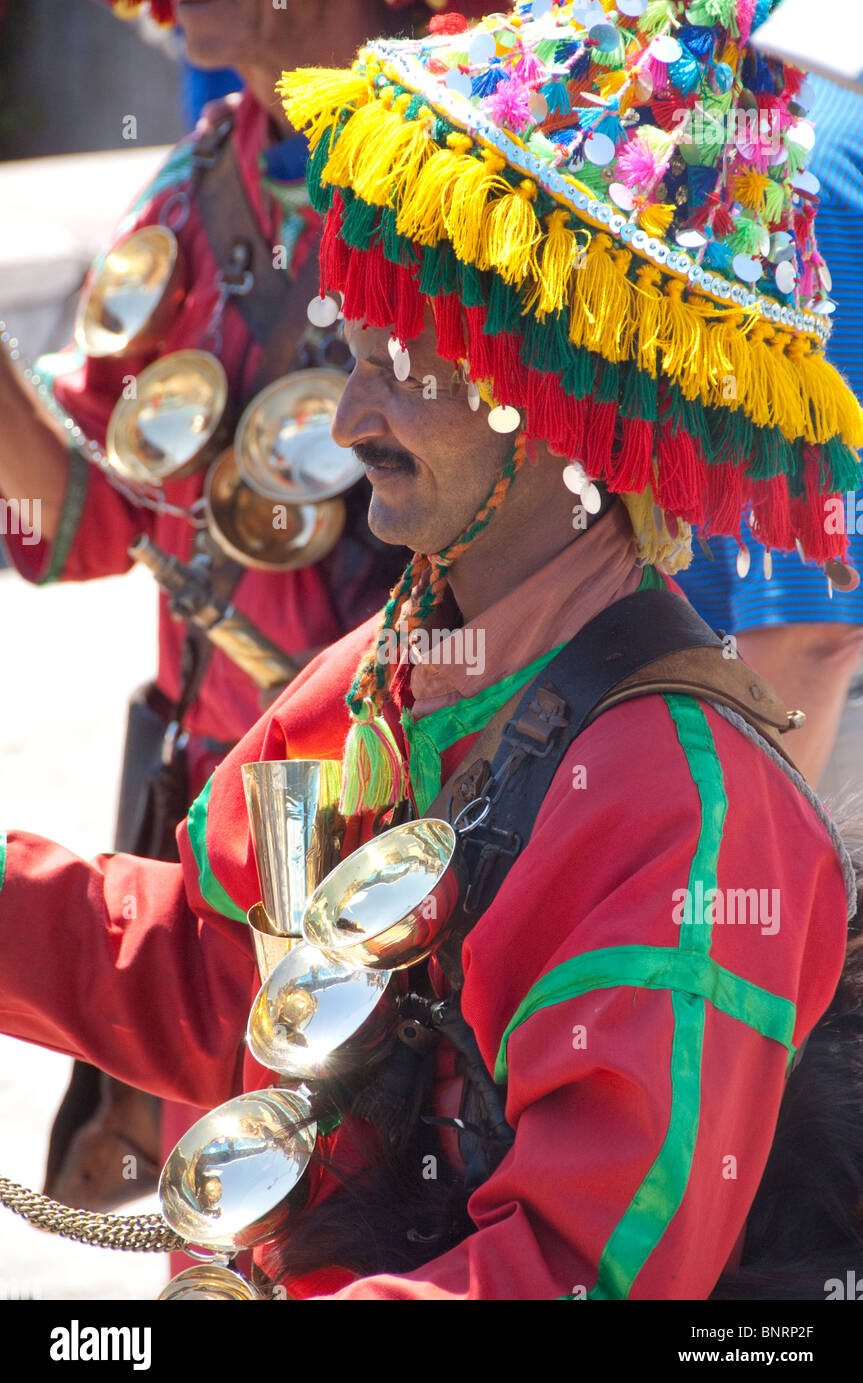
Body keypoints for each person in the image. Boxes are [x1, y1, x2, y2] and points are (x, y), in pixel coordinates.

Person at [1, 0, 861, 1299]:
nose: (347, 418)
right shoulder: (387, 674)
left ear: (562, 382)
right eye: (351, 352)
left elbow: (561, 1271)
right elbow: (211, 968)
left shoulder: (690, 819)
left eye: (406, 364)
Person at [0, 0, 482, 1211]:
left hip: (432, 834)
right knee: (223, 1242)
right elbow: (88, 523)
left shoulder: (477, 181)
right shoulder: (202, 182)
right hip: (225, 837)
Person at [677, 72, 863, 794]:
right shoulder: (759, 115)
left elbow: (810, 622)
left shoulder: (800, 157)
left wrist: (725, 886)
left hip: (791, 724)